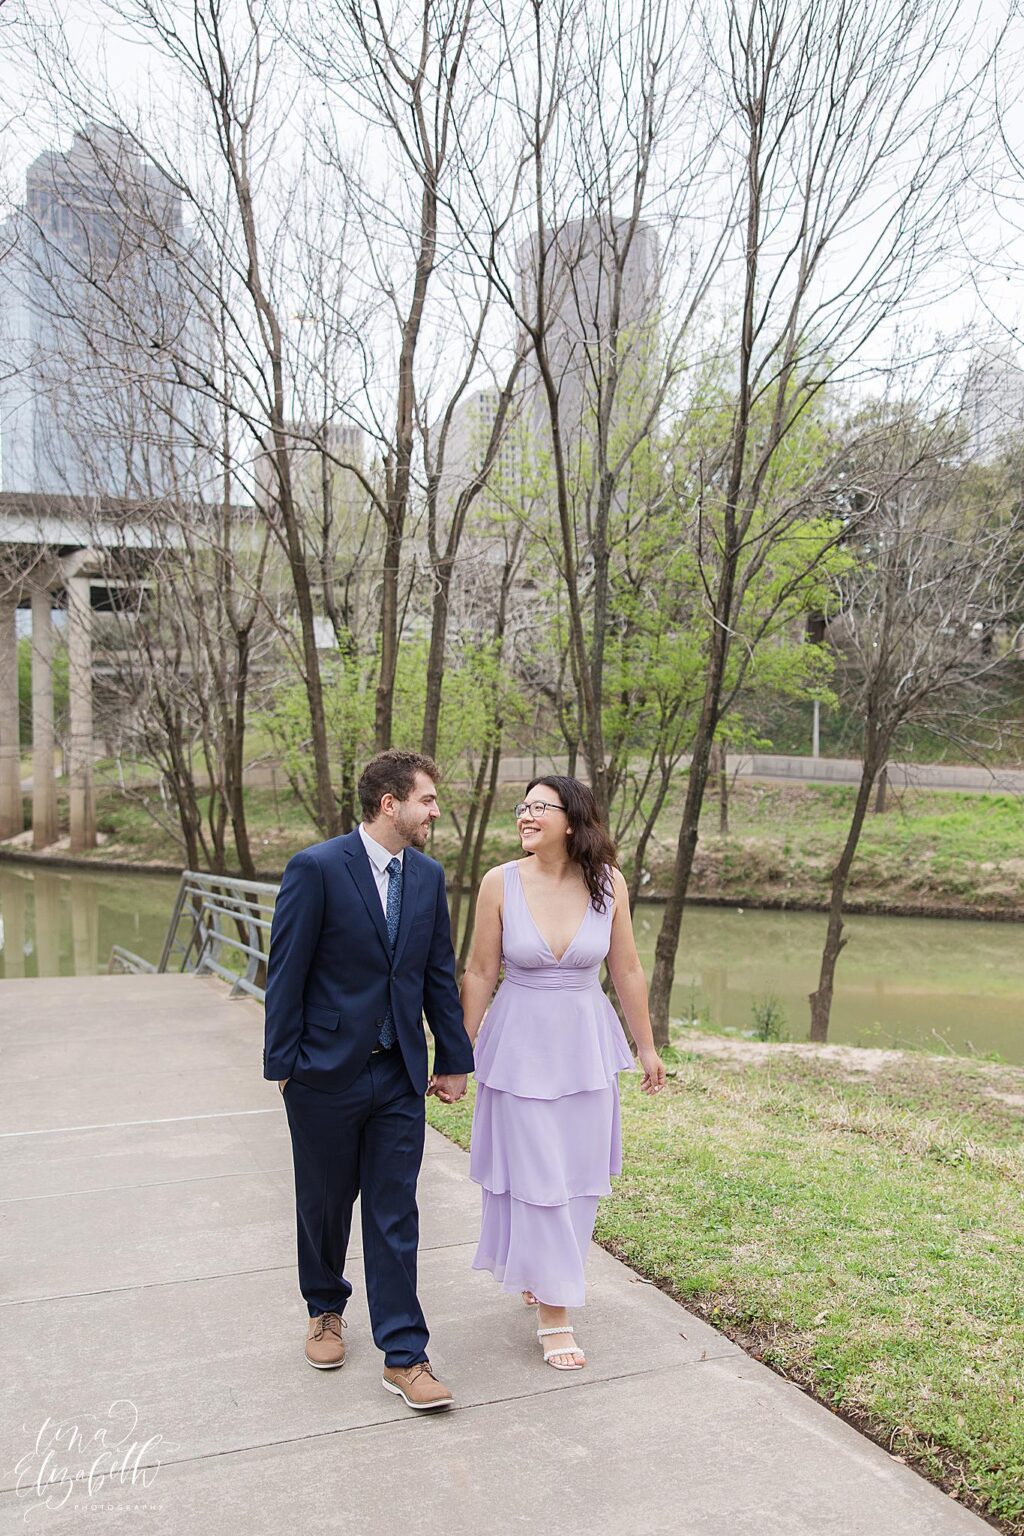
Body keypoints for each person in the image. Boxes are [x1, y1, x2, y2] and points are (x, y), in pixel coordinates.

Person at [264, 749, 474, 1411]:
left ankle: (404, 1354)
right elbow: (286, 972)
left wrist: (453, 1059)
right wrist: (285, 1069)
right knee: (325, 1204)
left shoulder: (428, 876)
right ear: (391, 804)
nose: (435, 812)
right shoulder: (318, 868)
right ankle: (325, 1307)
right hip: (324, 1072)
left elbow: (436, 973)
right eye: (428, 801)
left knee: (395, 1214)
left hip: (398, 1073)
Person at [460, 775, 666, 1370]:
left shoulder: (608, 884)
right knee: (537, 1174)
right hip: (519, 1047)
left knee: (574, 1176)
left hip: (585, 1047)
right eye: (522, 807)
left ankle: (545, 1273)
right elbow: (479, 971)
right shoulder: (500, 882)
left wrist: (646, 1047)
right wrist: (458, 1054)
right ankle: (555, 1312)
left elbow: (626, 971)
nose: (525, 816)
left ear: (571, 820)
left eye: (538, 808)